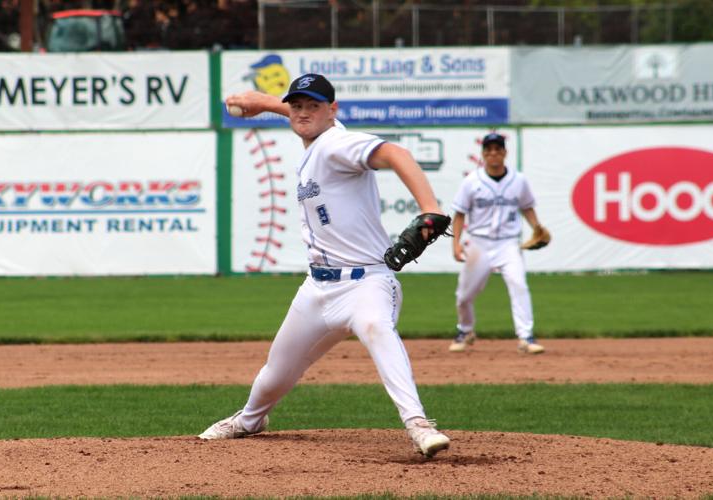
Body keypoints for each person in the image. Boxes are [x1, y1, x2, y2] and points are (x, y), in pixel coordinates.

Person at [199, 73, 451, 458]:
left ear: (333, 111)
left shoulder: (337, 143)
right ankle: (250, 421)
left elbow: (397, 154)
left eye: (314, 105)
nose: (302, 113)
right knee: (274, 374)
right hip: (317, 289)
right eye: (296, 105)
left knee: (375, 327)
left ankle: (417, 424)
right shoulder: (319, 138)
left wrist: (430, 208)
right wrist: (264, 102)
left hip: (366, 282)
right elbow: (301, 117)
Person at [448, 132, 546, 355]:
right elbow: (460, 214)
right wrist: (455, 244)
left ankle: (526, 337)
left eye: (498, 149)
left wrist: (537, 227)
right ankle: (465, 330)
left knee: (519, 285)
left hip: (508, 243)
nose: (493, 154)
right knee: (464, 295)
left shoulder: (518, 180)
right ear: (483, 154)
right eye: (489, 150)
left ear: (505, 152)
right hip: (479, 244)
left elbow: (527, 207)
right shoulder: (472, 182)